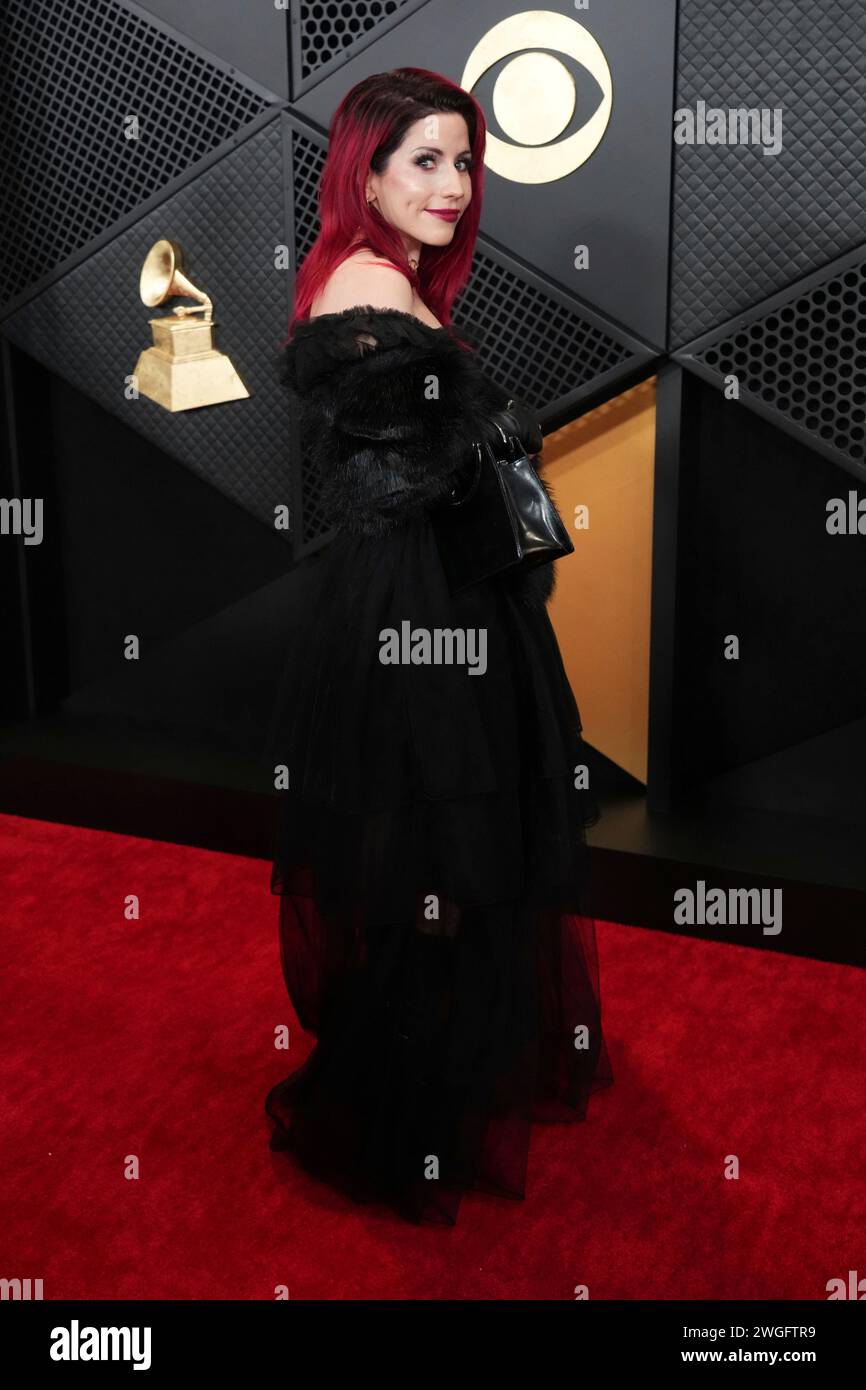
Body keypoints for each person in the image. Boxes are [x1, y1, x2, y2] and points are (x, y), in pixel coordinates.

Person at [263, 66, 613, 1226]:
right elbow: (403, 468)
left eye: (464, 161)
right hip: (412, 613)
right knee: (429, 859)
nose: (455, 185)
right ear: (363, 171)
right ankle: (397, 1114)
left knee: (443, 859)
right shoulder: (364, 292)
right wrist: (493, 432)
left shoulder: (391, 284)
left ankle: (448, 1072)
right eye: (425, 160)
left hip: (438, 596)